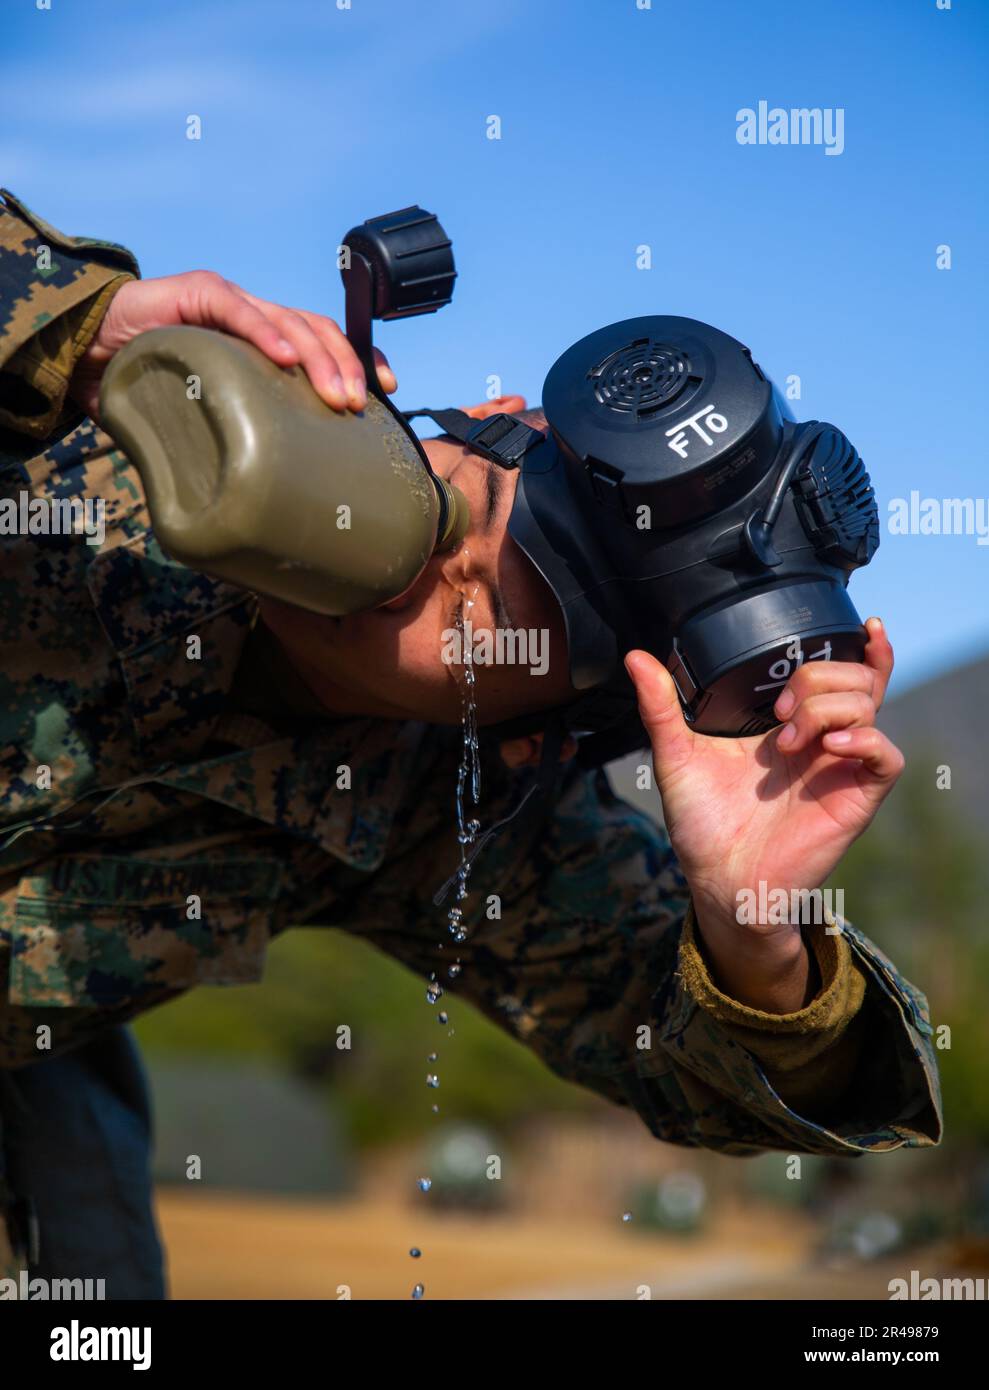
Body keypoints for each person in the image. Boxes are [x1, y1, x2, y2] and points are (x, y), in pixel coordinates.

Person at [0, 189, 941, 1298]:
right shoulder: (98, 422)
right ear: (498, 413)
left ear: (533, 726)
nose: (420, 557)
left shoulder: (446, 810)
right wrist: (63, 319)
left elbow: (739, 1078)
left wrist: (754, 932)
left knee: (98, 1275)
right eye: (473, 505)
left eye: (493, 612)